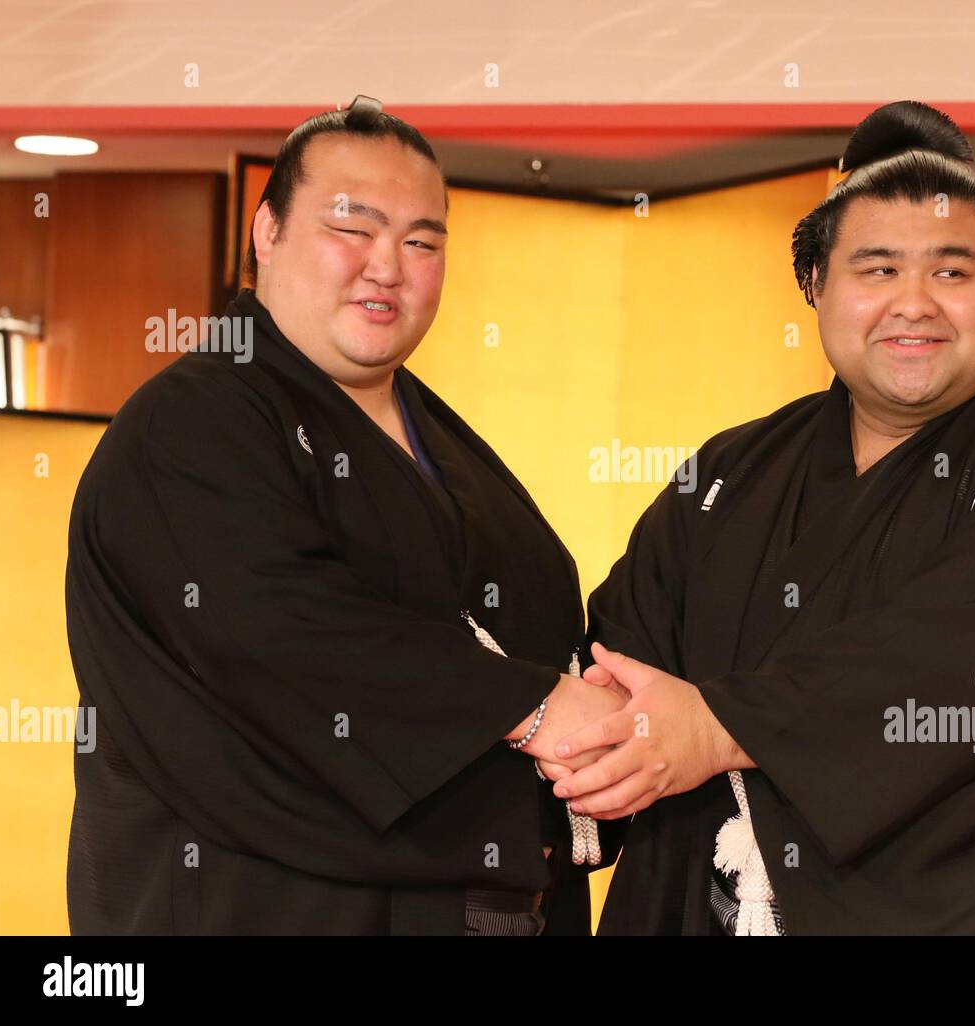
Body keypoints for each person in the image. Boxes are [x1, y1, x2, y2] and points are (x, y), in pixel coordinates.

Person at [544, 100, 975, 935]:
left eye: (951, 272)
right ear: (815, 286)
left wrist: (720, 725)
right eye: (877, 270)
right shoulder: (731, 473)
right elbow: (619, 663)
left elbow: (968, 660)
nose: (912, 303)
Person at [64, 96, 622, 936]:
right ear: (268, 232)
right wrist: (535, 706)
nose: (388, 266)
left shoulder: (439, 437)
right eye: (352, 229)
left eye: (422, 241)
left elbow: (529, 622)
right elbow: (278, 634)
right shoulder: (190, 422)